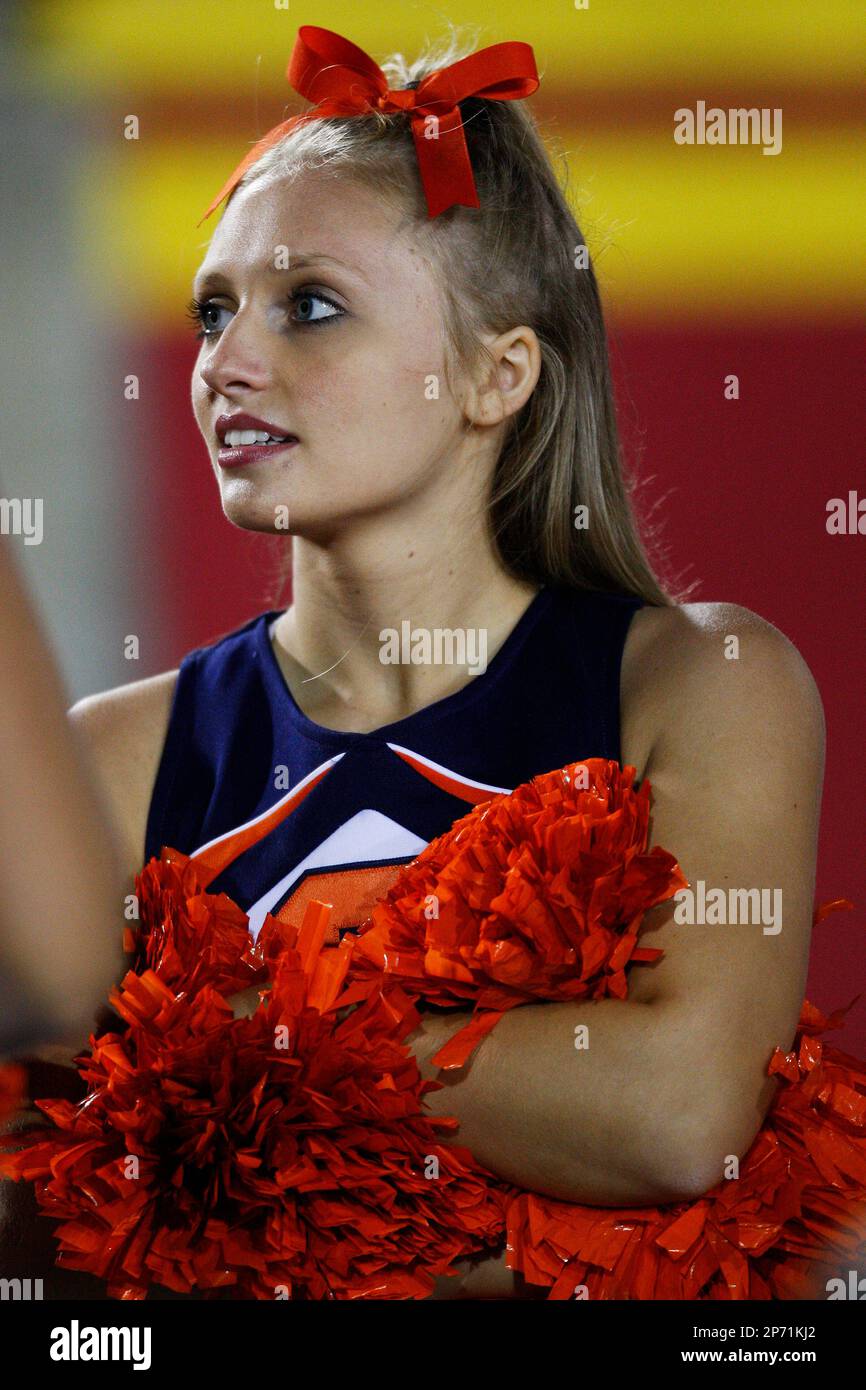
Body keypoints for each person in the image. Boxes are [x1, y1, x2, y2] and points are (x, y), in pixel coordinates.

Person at [8, 26, 846, 1299]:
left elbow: (676, 1119)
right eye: (214, 311)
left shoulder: (698, 681)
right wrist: (524, 1095)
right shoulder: (115, 754)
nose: (228, 363)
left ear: (494, 375)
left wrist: (213, 1034)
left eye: (311, 306)